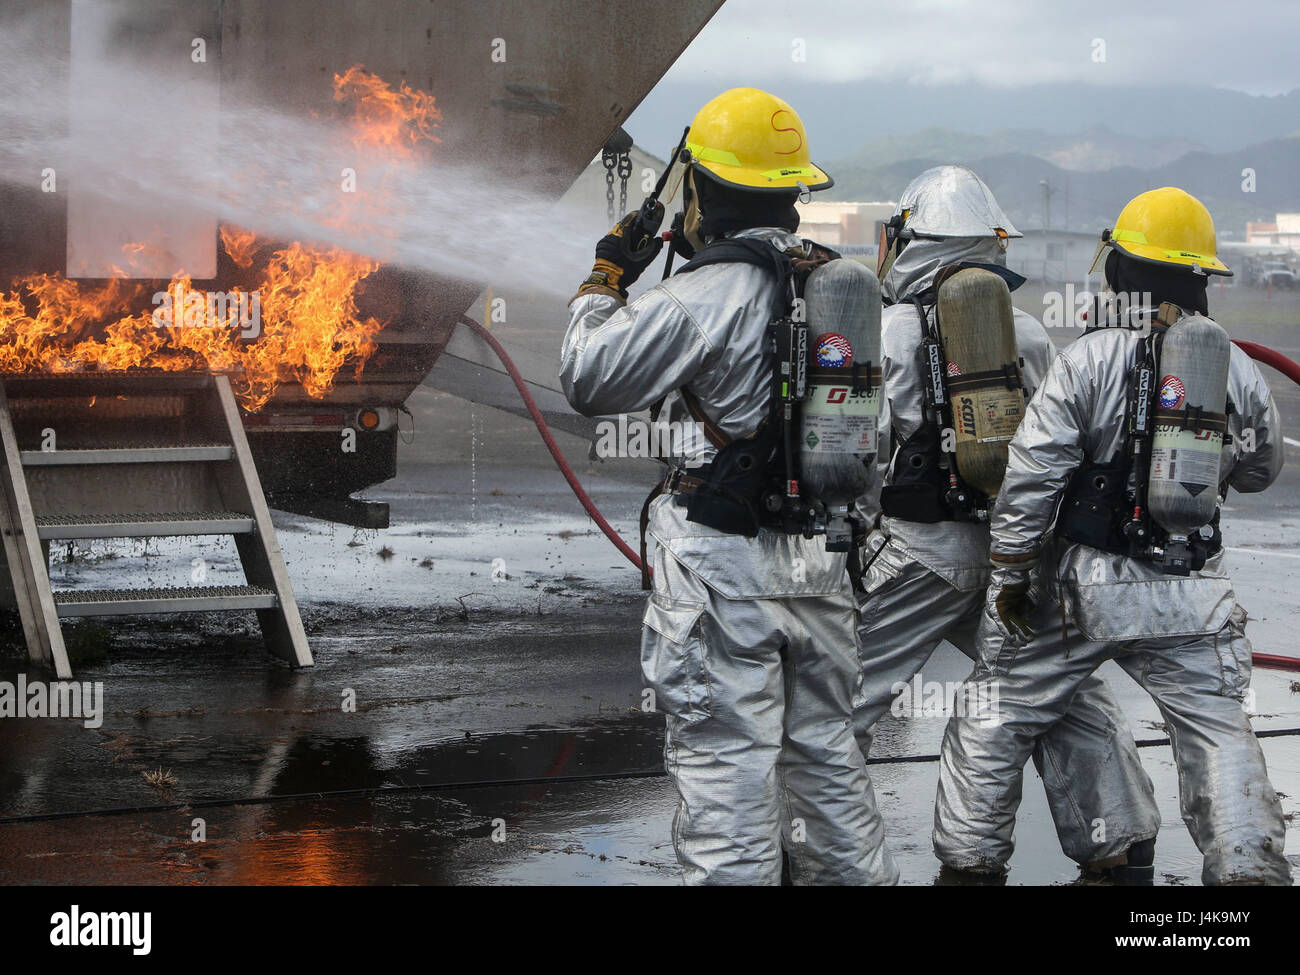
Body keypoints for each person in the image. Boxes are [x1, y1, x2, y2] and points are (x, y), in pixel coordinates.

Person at [559, 87, 897, 885]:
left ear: (705, 191)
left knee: (729, 773)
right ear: (791, 193)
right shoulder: (847, 292)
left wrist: (606, 277)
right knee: (828, 764)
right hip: (822, 561)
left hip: (724, 565)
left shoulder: (707, 292)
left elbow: (587, 375)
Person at [933, 187, 1291, 885]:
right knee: (1219, 734)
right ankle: (1248, 875)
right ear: (1199, 279)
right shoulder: (1237, 371)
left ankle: (971, 869)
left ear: (1122, 272)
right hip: (1191, 594)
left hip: (1085, 590)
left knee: (994, 714)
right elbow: (1259, 469)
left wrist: (1010, 570)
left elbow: (1033, 475)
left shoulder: (1090, 358)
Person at [856, 166, 1161, 882]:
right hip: (1012, 555)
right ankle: (1119, 842)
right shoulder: (1026, 332)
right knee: (1063, 694)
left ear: (913, 241)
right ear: (990, 245)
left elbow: (863, 453)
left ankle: (811, 846)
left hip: (921, 554)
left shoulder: (887, 328)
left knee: (839, 693)